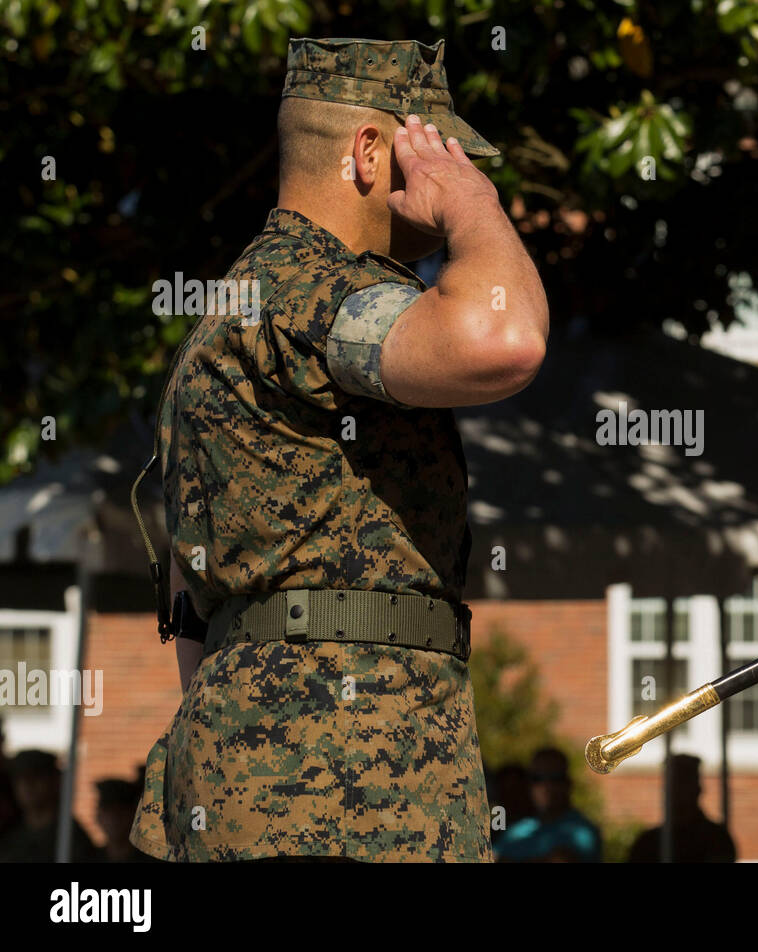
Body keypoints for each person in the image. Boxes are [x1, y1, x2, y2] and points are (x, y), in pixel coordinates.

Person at [130, 37, 548, 862]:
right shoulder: (313, 284)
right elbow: (505, 338)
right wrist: (473, 205)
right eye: (434, 151)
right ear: (368, 152)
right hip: (340, 779)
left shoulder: (238, 302)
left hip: (287, 762)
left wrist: (234, 733)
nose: (450, 169)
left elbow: (189, 584)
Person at [493, 748, 601, 862]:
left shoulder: (581, 831)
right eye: (537, 779)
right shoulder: (517, 830)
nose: (546, 786)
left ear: (568, 783)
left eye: (555, 778)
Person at [626, 754, 736, 863]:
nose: (678, 793)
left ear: (697, 789)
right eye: (674, 785)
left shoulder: (717, 840)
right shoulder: (718, 839)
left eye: (683, 784)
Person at [0, 750, 99, 862]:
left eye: (35, 777)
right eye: (20, 779)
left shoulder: (70, 837)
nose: (27, 785)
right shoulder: (11, 835)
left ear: (54, 781)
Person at [95, 777, 158, 863]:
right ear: (98, 817)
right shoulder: (90, 857)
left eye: (121, 812)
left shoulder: (151, 857)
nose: (114, 819)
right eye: (108, 811)